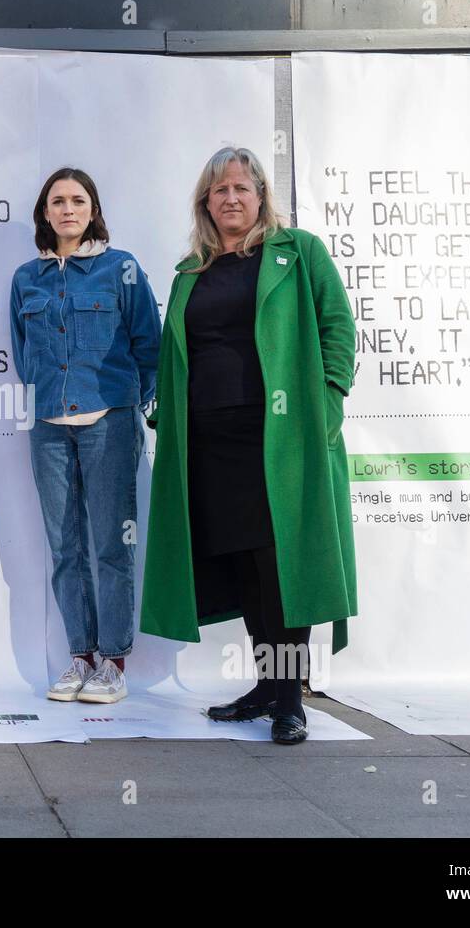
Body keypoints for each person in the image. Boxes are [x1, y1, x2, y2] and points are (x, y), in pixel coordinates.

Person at [140, 146, 357, 744]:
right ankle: (266, 685)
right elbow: (175, 353)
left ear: (260, 195)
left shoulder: (299, 252)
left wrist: (329, 400)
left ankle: (290, 696)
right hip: (209, 441)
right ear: (205, 203)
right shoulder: (192, 270)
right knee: (242, 566)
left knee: (278, 566)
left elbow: (337, 325)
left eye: (241, 187)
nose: (230, 198)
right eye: (218, 191)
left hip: (279, 438)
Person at [10, 167, 161, 704]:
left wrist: (136, 406)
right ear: (44, 213)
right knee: (64, 546)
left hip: (109, 424)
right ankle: (80, 655)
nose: (68, 210)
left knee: (111, 546)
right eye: (57, 201)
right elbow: (24, 351)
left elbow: (150, 343)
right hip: (48, 428)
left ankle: (114, 661)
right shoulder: (27, 278)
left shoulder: (121, 268)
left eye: (78, 200)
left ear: (93, 210)